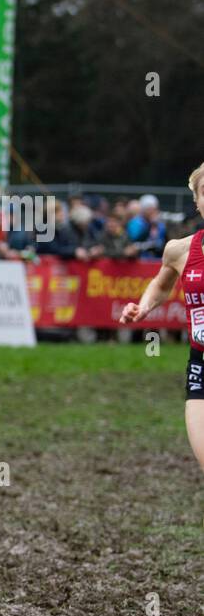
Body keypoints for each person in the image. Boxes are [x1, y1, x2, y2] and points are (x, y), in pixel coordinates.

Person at [120, 162, 204, 467]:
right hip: (200, 366)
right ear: (197, 201)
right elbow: (160, 284)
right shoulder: (179, 250)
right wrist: (142, 307)